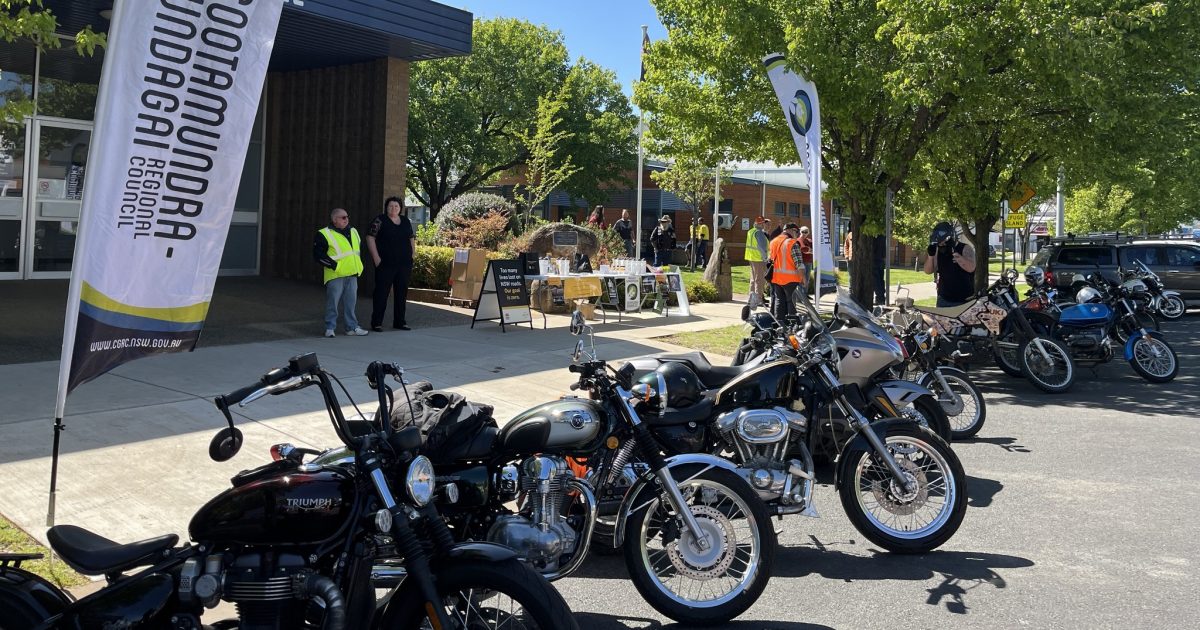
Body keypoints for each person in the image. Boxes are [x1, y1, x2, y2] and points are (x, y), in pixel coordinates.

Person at [313, 208, 369, 337]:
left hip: (352, 273)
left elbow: (357, 251)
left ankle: (351, 327)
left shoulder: (353, 231)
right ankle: (330, 328)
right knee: (332, 302)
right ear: (334, 219)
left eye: (347, 217)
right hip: (336, 274)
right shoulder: (324, 233)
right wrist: (335, 266)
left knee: (351, 303)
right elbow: (318, 255)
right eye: (343, 217)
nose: (346, 219)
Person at [366, 196, 417, 332]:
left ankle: (400, 322)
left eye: (396, 206)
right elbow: (370, 237)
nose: (393, 208)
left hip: (404, 264)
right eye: (390, 206)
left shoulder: (405, 221)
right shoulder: (380, 220)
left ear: (400, 208)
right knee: (381, 293)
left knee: (401, 293)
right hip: (385, 264)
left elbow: (411, 237)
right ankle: (376, 323)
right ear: (386, 207)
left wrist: (413, 253)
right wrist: (376, 258)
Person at [923, 221, 977, 307]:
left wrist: (955, 253)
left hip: (964, 299)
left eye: (943, 242)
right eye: (939, 244)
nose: (941, 245)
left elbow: (971, 268)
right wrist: (931, 256)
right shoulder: (938, 250)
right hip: (944, 298)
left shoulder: (965, 248)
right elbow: (928, 271)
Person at [769, 223, 806, 319]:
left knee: (779, 302)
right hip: (791, 279)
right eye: (797, 232)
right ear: (791, 230)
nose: (797, 234)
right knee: (791, 303)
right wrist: (803, 278)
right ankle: (792, 324)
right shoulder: (791, 243)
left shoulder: (773, 242)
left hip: (777, 278)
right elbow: (799, 263)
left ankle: (779, 324)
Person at [745, 216, 770, 308]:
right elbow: (762, 247)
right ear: (761, 224)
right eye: (764, 223)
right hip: (759, 259)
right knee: (759, 280)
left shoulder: (751, 231)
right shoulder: (759, 233)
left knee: (753, 279)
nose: (765, 225)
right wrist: (765, 258)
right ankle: (759, 300)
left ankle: (751, 298)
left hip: (751, 258)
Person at [797, 225, 814, 291]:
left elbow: (814, 248)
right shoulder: (799, 240)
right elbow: (803, 249)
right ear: (800, 232)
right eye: (802, 232)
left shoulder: (809, 240)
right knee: (802, 279)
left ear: (808, 232)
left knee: (807, 278)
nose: (804, 233)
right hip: (802, 262)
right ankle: (801, 295)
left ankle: (805, 294)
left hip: (809, 262)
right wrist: (810, 250)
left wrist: (810, 250)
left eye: (806, 232)